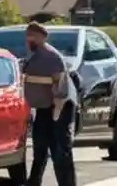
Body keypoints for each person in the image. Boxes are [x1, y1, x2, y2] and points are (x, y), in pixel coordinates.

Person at [23, 21, 76, 186]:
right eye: (28, 36)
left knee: (60, 151)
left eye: (32, 37)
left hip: (59, 108)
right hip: (44, 108)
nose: (29, 40)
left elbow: (61, 87)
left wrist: (56, 116)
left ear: (41, 38)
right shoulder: (35, 55)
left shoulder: (51, 57)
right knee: (39, 149)